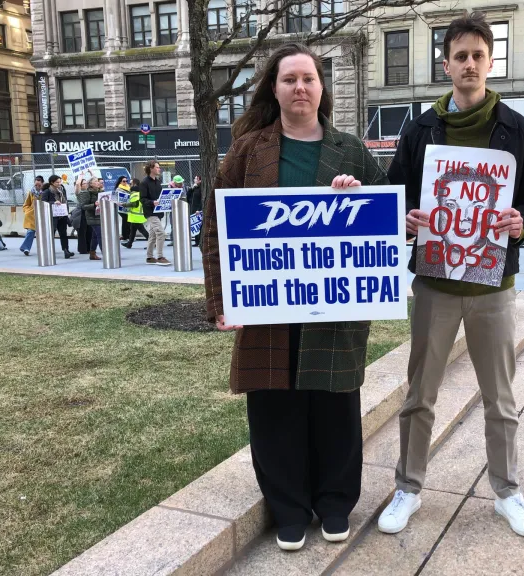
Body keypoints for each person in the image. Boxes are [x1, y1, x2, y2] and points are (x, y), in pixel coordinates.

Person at [202, 42, 387, 552]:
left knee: (334, 410)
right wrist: (222, 299)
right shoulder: (247, 150)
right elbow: (216, 229)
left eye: (309, 78)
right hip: (267, 306)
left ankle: (333, 505)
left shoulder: (351, 151)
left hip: (336, 307)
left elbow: (390, 222)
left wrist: (359, 201)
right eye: (290, 79)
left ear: (321, 88)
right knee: (274, 411)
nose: (300, 87)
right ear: (275, 88)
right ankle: (287, 508)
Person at [377, 16, 524, 539]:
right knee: (419, 394)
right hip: (434, 283)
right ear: (446, 63)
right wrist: (407, 216)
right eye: (460, 55)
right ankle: (408, 487)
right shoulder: (422, 128)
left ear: (490, 61)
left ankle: (507, 491)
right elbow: (397, 193)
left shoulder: (516, 128)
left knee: (500, 398)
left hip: (492, 286)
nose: (469, 64)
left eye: (478, 54)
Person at [139, 160, 171, 266]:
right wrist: (153, 202)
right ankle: (160, 256)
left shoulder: (158, 182)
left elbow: (160, 196)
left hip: (158, 212)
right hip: (150, 212)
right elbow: (142, 199)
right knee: (161, 233)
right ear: (151, 168)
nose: (159, 169)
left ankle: (149, 257)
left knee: (152, 236)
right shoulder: (144, 183)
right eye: (157, 167)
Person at [41, 175, 75, 259]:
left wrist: (66, 212)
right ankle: (47, 250)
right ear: (52, 182)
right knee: (51, 233)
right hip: (53, 216)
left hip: (62, 215)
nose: (59, 183)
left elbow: (65, 200)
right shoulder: (47, 191)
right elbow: (43, 202)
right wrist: (53, 202)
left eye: (60, 181)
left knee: (63, 233)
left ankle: (66, 250)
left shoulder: (62, 189)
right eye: (57, 182)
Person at [76, 177, 104, 261]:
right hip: (92, 217)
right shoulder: (86, 193)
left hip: (100, 215)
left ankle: (92, 253)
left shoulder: (101, 192)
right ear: (90, 184)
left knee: (95, 236)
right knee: (100, 234)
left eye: (98, 181)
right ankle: (106, 253)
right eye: (95, 181)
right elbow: (83, 206)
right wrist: (94, 205)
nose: (98, 183)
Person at [120, 178, 149, 249]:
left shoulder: (135, 194)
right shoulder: (139, 193)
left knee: (142, 230)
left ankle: (152, 242)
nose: (129, 184)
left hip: (136, 215)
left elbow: (134, 204)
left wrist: (124, 204)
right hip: (136, 215)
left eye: (130, 183)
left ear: (134, 184)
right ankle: (129, 244)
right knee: (133, 230)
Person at [19, 175, 44, 256]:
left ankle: (44, 249)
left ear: (42, 184)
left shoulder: (45, 192)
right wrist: (27, 211)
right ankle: (26, 248)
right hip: (31, 216)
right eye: (36, 185)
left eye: (39, 185)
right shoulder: (31, 192)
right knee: (30, 232)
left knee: (43, 234)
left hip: (43, 215)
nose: (37, 186)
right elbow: (26, 204)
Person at [187, 175, 203, 247]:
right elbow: (188, 197)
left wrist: (199, 209)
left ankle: (200, 240)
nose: (194, 180)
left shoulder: (201, 189)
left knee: (199, 226)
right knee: (194, 225)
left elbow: (202, 200)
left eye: (196, 179)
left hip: (197, 209)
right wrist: (191, 189)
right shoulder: (194, 188)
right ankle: (197, 241)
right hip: (192, 208)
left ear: (200, 180)